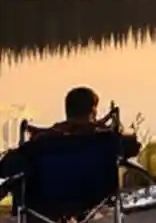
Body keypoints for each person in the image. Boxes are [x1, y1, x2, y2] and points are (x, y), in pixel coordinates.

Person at [0, 86, 140, 203]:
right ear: (93, 112)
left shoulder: (40, 144)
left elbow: (5, 168)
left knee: (20, 177)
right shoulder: (106, 141)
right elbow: (134, 147)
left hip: (45, 202)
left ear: (67, 112)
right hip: (95, 198)